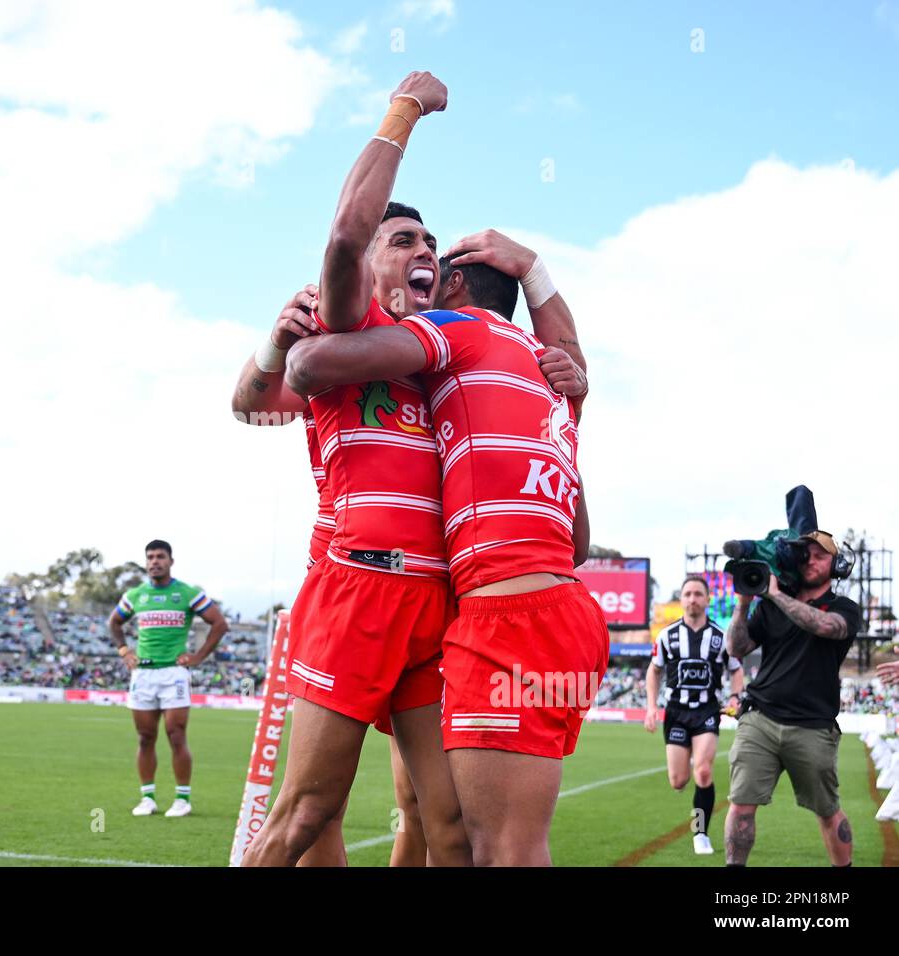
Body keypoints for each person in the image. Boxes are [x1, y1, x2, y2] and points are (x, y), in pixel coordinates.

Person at [241, 70, 590, 868]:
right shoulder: (350, 324)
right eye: (405, 242)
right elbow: (333, 256)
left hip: (442, 609)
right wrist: (406, 110)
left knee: (453, 828)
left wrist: (566, 373)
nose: (427, 253)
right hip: (358, 587)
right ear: (368, 268)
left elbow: (543, 401)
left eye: (433, 245)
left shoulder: (450, 357)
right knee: (306, 816)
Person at [723, 531, 862, 866]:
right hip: (760, 717)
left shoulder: (844, 607)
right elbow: (736, 648)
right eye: (805, 555)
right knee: (740, 805)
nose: (810, 561)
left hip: (813, 725)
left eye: (820, 556)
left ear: (837, 565)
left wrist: (776, 596)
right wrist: (744, 604)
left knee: (827, 811)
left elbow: (826, 627)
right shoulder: (770, 604)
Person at [108, 539, 228, 818]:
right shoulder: (136, 595)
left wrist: (198, 657)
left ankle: (182, 799)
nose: (154, 561)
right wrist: (124, 650)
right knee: (144, 737)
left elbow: (219, 623)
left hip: (173, 673)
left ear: (171, 561)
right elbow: (114, 622)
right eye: (150, 557)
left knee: (176, 735)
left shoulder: (187, 593)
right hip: (143, 674)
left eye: (160, 556)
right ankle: (147, 797)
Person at [645, 574, 744, 855]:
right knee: (678, 781)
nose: (692, 599)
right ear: (681, 599)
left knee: (703, 771)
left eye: (698, 594)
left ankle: (701, 833)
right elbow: (654, 670)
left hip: (707, 711)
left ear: (707, 600)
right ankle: (684, 773)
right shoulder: (667, 636)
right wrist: (651, 706)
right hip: (676, 713)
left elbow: (737, 670)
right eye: (687, 594)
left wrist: (735, 696)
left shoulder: (721, 637)